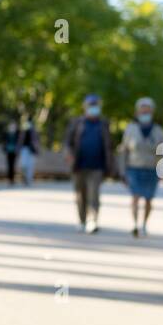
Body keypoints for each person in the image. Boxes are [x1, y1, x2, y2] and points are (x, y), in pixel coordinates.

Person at [63, 93, 114, 232]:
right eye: (90, 105)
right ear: (85, 107)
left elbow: (109, 146)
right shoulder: (77, 123)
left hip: (97, 166)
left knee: (94, 195)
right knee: (80, 195)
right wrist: (69, 155)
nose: (93, 108)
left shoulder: (104, 124)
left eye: (95, 105)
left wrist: (110, 165)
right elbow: (67, 143)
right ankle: (82, 220)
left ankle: (93, 221)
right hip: (79, 165)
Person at [118, 97, 163, 236]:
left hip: (152, 169)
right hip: (134, 167)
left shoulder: (158, 131)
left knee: (148, 199)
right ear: (137, 111)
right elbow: (124, 151)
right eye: (142, 109)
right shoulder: (130, 129)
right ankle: (135, 224)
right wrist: (122, 172)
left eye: (148, 110)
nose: (145, 112)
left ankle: (144, 224)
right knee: (135, 196)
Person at [18, 116, 39, 185]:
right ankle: (25, 177)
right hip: (24, 148)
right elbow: (20, 139)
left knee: (30, 165)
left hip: (31, 150)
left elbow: (36, 140)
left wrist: (36, 149)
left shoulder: (34, 129)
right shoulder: (24, 128)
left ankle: (28, 179)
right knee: (24, 164)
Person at [2, 119, 19, 185]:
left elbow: (19, 142)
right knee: (9, 165)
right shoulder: (7, 133)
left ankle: (12, 179)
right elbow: (4, 141)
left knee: (13, 165)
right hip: (8, 151)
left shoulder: (17, 133)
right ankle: (9, 179)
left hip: (14, 151)